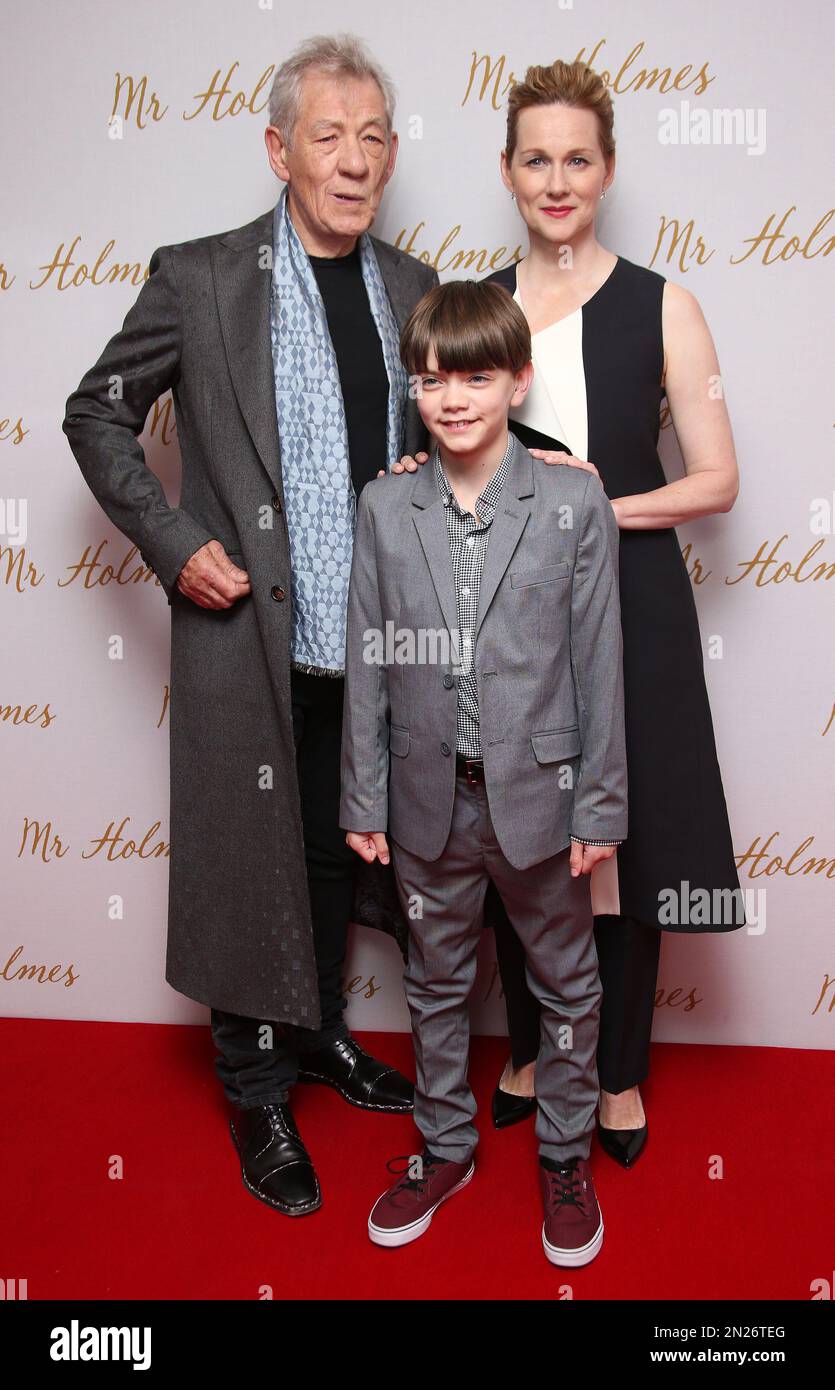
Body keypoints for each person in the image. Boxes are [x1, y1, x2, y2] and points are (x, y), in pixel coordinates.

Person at [61, 33, 440, 1218]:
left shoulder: (418, 289)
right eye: (329, 134)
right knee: (243, 859)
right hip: (245, 640)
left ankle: (322, 1032)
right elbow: (96, 413)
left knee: (338, 849)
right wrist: (176, 547)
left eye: (374, 135)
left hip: (375, 646)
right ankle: (254, 1086)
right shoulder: (201, 275)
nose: (356, 158)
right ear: (278, 148)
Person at [480, 59, 746, 1161]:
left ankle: (620, 1073)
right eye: (534, 158)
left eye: (576, 158)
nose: (556, 178)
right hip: (501, 607)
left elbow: (718, 481)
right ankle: (538, 1050)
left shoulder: (664, 302)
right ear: (506, 172)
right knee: (511, 824)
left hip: (631, 598)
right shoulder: (476, 307)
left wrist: (598, 501)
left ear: (608, 168)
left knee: (624, 833)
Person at [340, 279, 627, 1265]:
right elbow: (371, 654)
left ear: (517, 379)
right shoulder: (385, 503)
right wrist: (363, 794)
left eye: (474, 376)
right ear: (412, 389)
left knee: (567, 986)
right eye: (430, 379)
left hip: (543, 803)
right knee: (433, 984)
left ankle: (562, 1159)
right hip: (426, 801)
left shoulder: (571, 496)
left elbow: (597, 660)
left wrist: (599, 802)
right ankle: (445, 1148)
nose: (452, 398)